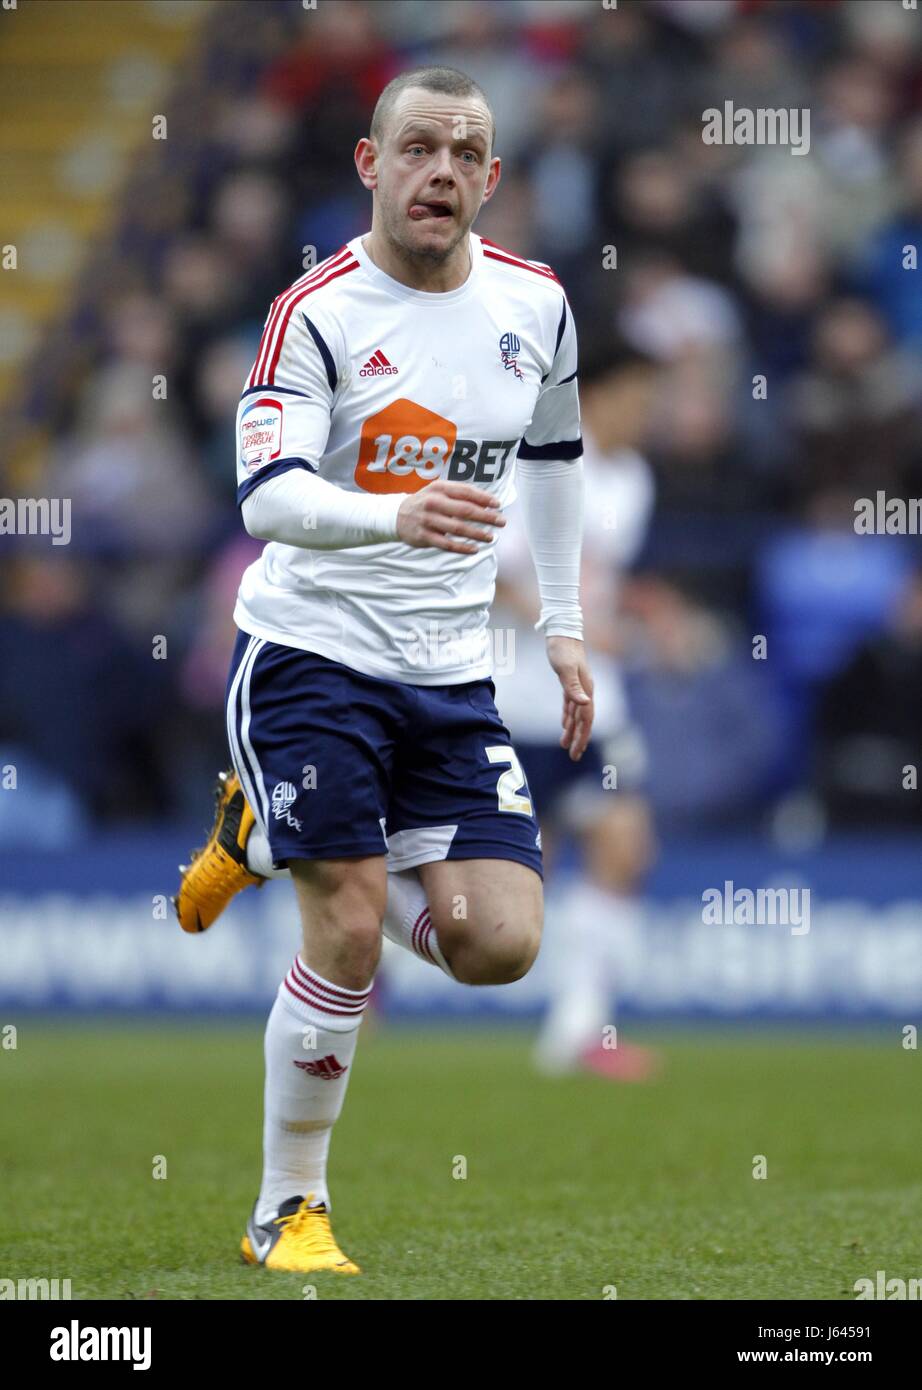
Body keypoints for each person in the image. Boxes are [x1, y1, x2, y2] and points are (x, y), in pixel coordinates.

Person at [173, 66, 591, 1275]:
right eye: (417, 149)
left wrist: (561, 625)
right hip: (311, 654)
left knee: (497, 944)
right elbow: (267, 496)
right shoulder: (316, 312)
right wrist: (391, 517)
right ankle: (286, 1208)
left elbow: (557, 458)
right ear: (371, 165)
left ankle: (261, 835)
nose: (441, 172)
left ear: (492, 178)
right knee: (350, 926)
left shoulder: (538, 306)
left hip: (452, 673)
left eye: (466, 153)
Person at [491, 342, 659, 1082]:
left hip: (597, 701)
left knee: (625, 838)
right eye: (638, 398)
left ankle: (579, 1025)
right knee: (519, 876)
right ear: (600, 395)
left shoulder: (634, 480)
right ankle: (371, 967)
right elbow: (492, 571)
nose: (648, 414)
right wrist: (565, 626)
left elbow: (604, 580)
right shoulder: (546, 462)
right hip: (516, 700)